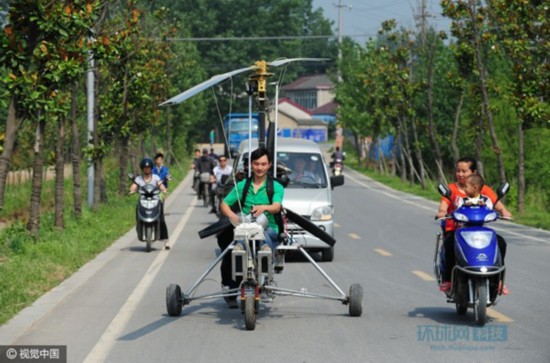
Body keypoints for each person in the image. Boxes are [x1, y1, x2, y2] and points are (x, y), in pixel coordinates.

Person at [435, 157, 512, 293]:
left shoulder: (484, 191)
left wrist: (505, 212)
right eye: (458, 171)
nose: (460, 174)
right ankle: (448, 279)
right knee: (449, 244)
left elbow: (497, 205)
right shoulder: (453, 191)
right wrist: (442, 212)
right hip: (457, 229)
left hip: (479, 230)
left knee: (501, 243)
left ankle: (498, 279)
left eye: (464, 171)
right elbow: (445, 204)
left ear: (473, 172)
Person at [130, 158, 169, 241]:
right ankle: (139, 226)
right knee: (137, 211)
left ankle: (165, 238)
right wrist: (132, 190)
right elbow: (134, 185)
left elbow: (160, 184)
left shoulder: (155, 177)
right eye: (145, 168)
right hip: (143, 200)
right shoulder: (139, 179)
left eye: (148, 168)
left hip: (155, 200)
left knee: (161, 217)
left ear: (151, 168)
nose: (147, 169)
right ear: (142, 168)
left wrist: (163, 189)